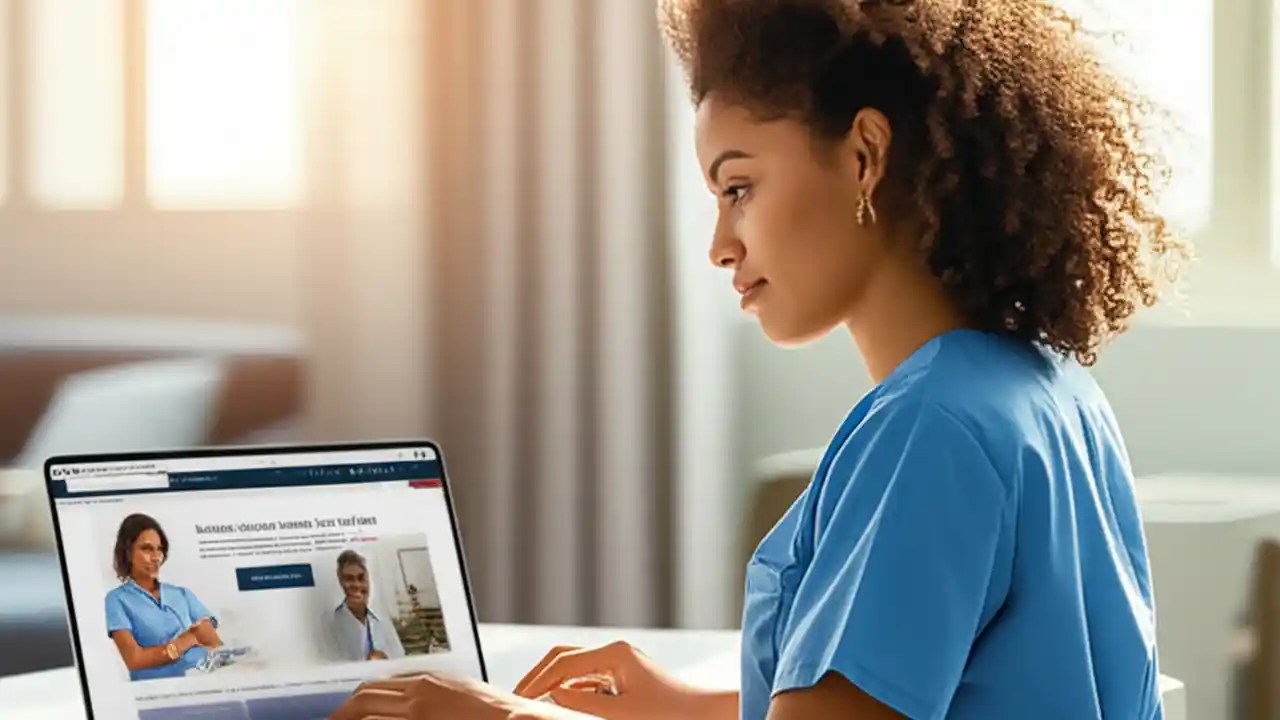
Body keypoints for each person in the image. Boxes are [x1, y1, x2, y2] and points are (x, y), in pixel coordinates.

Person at [332, 0, 1189, 717]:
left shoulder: (929, 428)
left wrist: (507, 716)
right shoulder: (1043, 390)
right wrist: (683, 703)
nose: (718, 244)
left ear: (865, 156)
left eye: (738, 187)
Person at [105, 513, 222, 681]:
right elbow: (135, 660)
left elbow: (212, 640)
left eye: (159, 549)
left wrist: (170, 649)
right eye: (146, 549)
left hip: (205, 679)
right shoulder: (117, 600)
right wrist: (188, 639)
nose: (155, 557)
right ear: (128, 552)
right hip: (160, 692)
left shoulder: (181, 593)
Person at [324, 549, 406, 662]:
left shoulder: (381, 620)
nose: (357, 585)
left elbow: (400, 658)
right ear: (340, 582)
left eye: (361, 578)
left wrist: (384, 658)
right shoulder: (334, 625)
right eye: (349, 579)